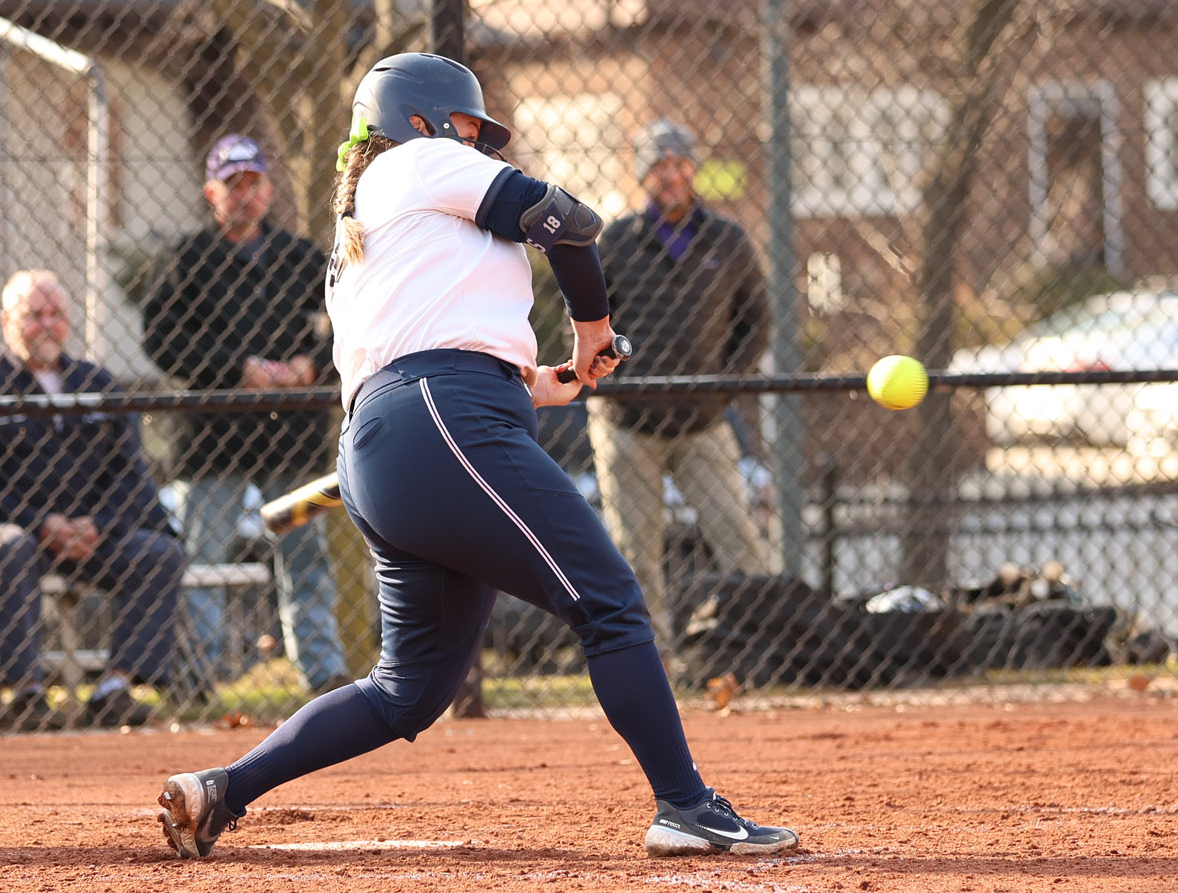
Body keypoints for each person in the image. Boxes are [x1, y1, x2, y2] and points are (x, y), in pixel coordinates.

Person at [155, 53, 797, 860]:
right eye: (466, 126)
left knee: (407, 692)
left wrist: (539, 379)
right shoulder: (419, 163)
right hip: (440, 419)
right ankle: (685, 806)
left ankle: (223, 789)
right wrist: (593, 330)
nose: (478, 144)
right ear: (416, 121)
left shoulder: (365, 223)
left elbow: (430, 332)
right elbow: (566, 220)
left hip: (401, 439)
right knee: (608, 599)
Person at [139, 134, 348, 695]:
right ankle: (197, 675)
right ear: (212, 193)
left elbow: (349, 325)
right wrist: (237, 367)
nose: (245, 197)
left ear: (269, 190)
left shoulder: (302, 257)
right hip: (212, 440)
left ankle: (322, 670)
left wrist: (312, 367)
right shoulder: (185, 259)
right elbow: (159, 340)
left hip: (291, 438)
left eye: (254, 185)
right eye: (233, 187)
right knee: (206, 556)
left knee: (304, 552)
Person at [0, 269, 187, 732]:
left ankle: (115, 689)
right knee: (13, 547)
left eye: (56, 314)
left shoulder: (97, 382)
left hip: (87, 536)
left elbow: (131, 475)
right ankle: (26, 695)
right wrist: (40, 524)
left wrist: (97, 524)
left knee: (161, 554)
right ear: (5, 321)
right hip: (3, 532)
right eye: (33, 315)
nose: (47, 325)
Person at [588, 119, 772, 657]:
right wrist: (612, 387)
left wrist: (723, 389)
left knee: (739, 543)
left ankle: (761, 655)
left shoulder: (728, 239)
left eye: (679, 165)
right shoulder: (616, 241)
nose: (670, 176)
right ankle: (655, 666)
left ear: (693, 170)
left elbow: (756, 323)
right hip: (629, 427)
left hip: (702, 424)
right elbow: (586, 322)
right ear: (643, 175)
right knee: (636, 555)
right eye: (658, 166)